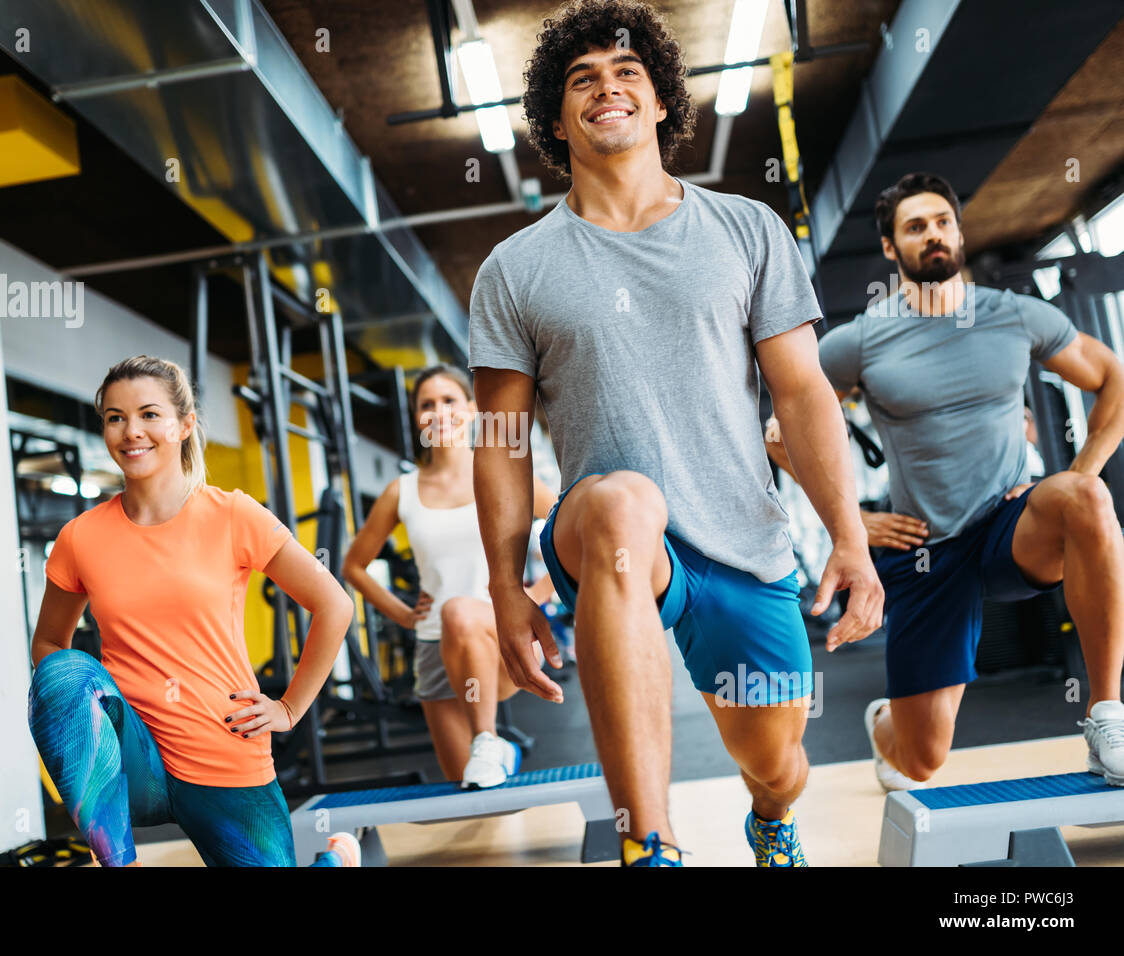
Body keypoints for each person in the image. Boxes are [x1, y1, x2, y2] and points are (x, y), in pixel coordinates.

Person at [468, 0, 881, 867]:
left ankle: (770, 818)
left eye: (627, 74)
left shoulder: (745, 230)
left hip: (746, 544)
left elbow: (802, 396)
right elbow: (501, 438)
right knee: (625, 507)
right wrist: (507, 587)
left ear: (661, 103)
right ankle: (648, 846)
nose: (607, 89)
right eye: (582, 80)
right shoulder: (515, 269)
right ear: (555, 117)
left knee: (777, 765)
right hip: (607, 532)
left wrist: (850, 537)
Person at [790, 171, 1124, 790]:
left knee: (1086, 498)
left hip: (1008, 525)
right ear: (891, 249)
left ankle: (1107, 720)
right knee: (922, 759)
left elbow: (1113, 380)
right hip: (923, 547)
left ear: (959, 232)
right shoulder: (860, 341)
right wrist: (849, 522)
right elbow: (782, 437)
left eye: (942, 221)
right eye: (915, 227)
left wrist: (1081, 473)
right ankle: (888, 720)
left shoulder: (1016, 316)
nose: (933, 235)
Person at [28, 355, 361, 866]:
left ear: (185, 425)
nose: (131, 431)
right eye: (115, 417)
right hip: (136, 756)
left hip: (222, 750)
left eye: (148, 414)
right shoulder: (81, 537)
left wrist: (289, 708)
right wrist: (86, 726)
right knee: (62, 672)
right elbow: (49, 644)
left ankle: (336, 860)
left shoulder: (233, 514)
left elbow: (334, 603)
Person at [342, 365, 557, 788]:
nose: (438, 412)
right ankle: (497, 750)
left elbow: (567, 526)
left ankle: (487, 737)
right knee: (467, 785)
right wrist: (402, 614)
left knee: (459, 611)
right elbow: (352, 565)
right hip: (433, 647)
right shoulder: (400, 491)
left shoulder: (501, 472)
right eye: (427, 404)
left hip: (496, 638)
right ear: (416, 417)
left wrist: (540, 593)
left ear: (473, 409)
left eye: (449, 401)